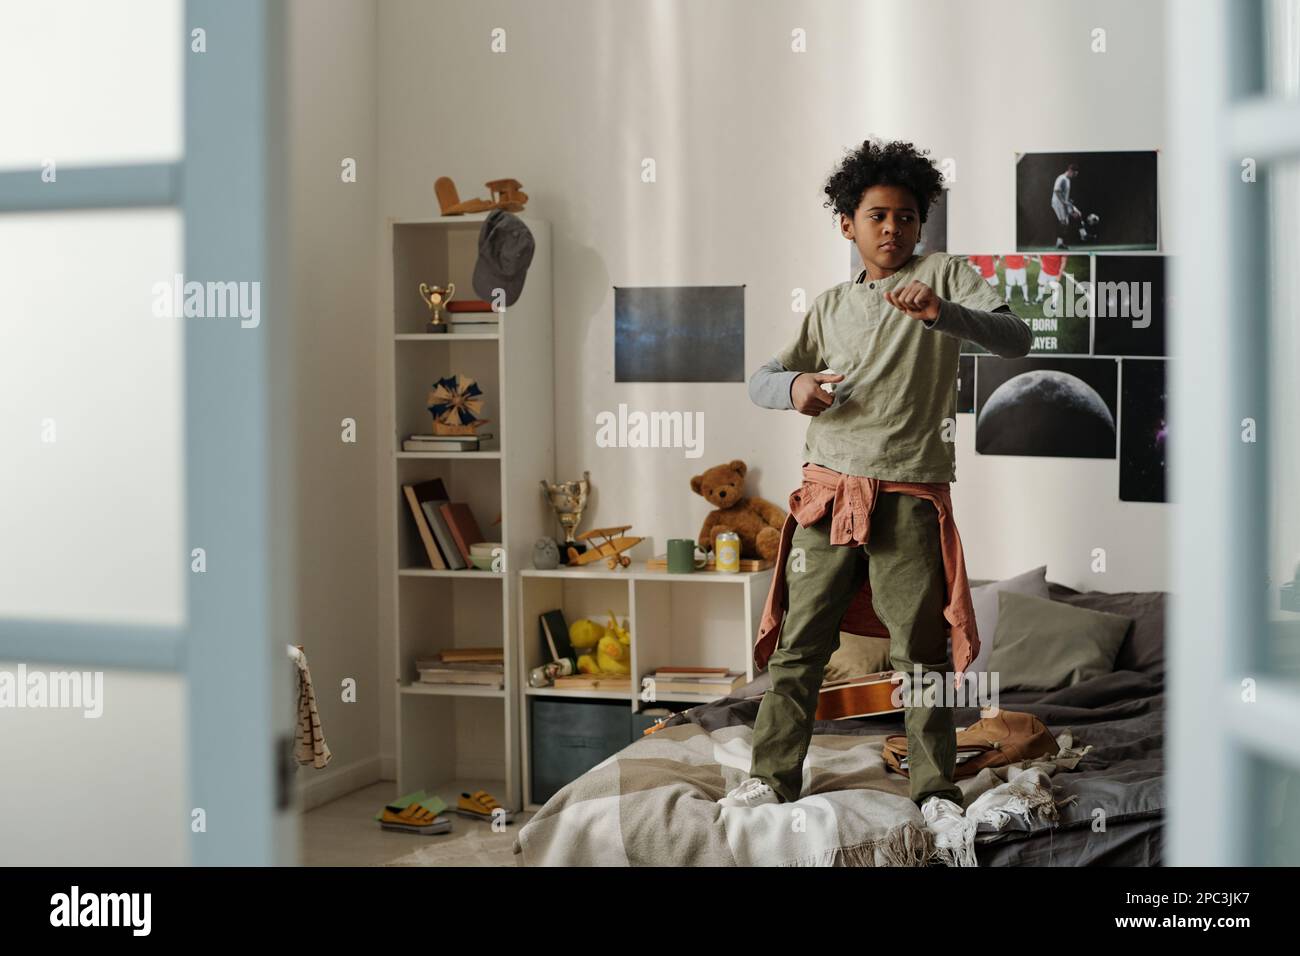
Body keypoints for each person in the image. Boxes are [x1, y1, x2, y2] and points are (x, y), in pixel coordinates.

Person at [718, 140, 1031, 823]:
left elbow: (1017, 338)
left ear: (923, 225)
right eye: (879, 215)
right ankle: (771, 780)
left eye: (909, 217)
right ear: (848, 224)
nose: (894, 229)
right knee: (800, 645)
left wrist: (942, 314)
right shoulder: (829, 307)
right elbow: (760, 380)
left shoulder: (945, 275)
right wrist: (796, 385)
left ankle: (934, 793)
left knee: (920, 654)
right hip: (828, 493)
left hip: (911, 492)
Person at [1051, 163, 1081, 249]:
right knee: (1064, 223)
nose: (1075, 176)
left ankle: (1060, 243)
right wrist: (1064, 202)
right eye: (1074, 174)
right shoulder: (1062, 178)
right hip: (1058, 203)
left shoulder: (1068, 180)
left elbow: (1063, 193)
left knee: (1069, 221)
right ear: (1070, 171)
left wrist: (1068, 201)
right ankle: (1059, 244)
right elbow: (1057, 191)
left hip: (1063, 203)